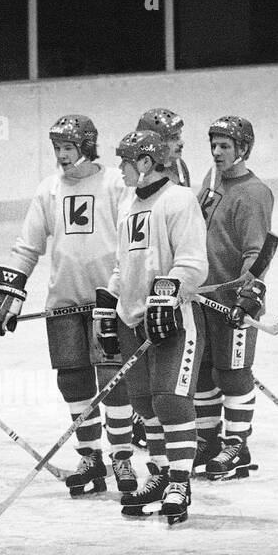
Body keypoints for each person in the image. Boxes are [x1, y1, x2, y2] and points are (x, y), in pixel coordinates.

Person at [0, 115, 137, 497]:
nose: (62, 156)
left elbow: (132, 240)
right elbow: (28, 245)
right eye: (57, 149)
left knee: (113, 379)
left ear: (86, 146)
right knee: (73, 379)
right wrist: (10, 291)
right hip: (64, 303)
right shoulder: (49, 190)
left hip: (108, 302)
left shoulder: (116, 182)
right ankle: (90, 457)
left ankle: (122, 456)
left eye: (68, 148)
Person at [99, 130, 207, 525]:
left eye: (126, 161)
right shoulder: (128, 201)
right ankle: (161, 473)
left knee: (170, 399)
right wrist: (109, 302)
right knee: (144, 402)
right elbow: (123, 263)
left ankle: (180, 480)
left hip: (173, 320)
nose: (121, 169)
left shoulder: (179, 200)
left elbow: (194, 263)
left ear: (144, 163)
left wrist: (167, 292)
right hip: (133, 319)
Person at [192, 116, 274, 480]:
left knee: (233, 373)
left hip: (233, 302)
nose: (216, 152)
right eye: (214, 145)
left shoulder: (255, 192)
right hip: (201, 298)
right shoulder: (211, 184)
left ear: (243, 149)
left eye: (225, 146)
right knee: (203, 373)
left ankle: (236, 445)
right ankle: (207, 441)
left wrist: (245, 295)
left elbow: (257, 251)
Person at [136, 108, 190, 187]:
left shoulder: (178, 165)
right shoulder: (134, 174)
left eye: (179, 136)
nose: (181, 143)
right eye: (173, 138)